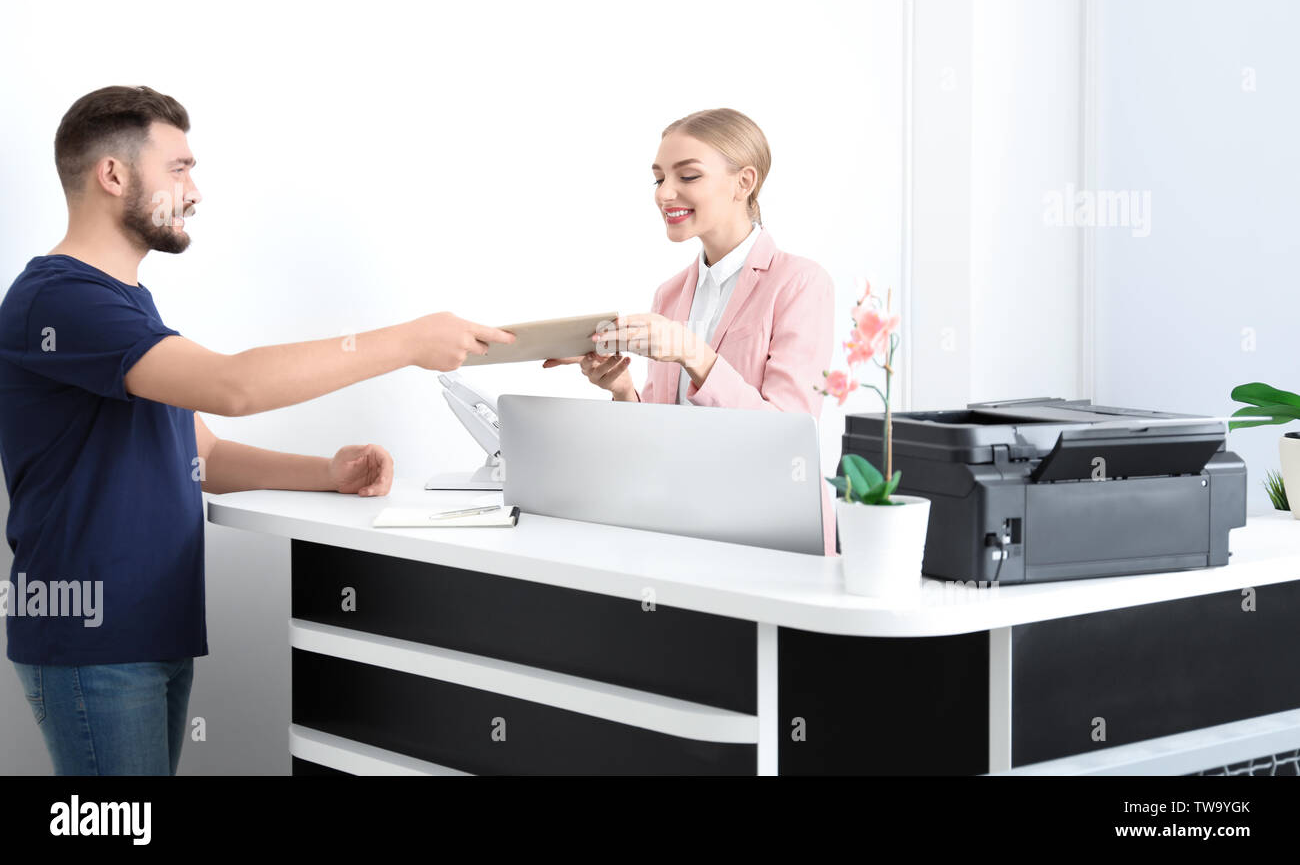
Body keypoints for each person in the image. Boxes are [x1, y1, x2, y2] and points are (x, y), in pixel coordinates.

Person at [0, 85, 515, 774]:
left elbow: (200, 452)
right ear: (113, 174)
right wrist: (409, 341)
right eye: (179, 167)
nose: (196, 191)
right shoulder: (59, 299)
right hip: (95, 637)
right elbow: (232, 385)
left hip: (148, 628)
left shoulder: (122, 304)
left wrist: (324, 474)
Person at [543, 108, 837, 555]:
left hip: (773, 532)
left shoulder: (799, 283)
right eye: (659, 178)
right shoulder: (670, 294)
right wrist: (623, 391)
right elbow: (659, 441)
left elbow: (789, 438)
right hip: (682, 527)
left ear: (745, 182)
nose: (666, 193)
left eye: (688, 176)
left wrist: (693, 355)